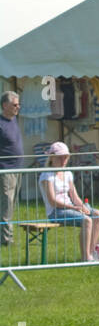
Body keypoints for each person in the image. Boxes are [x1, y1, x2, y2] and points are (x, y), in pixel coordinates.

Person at [39, 142, 99, 263]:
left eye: (66, 157)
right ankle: (86, 258)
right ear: (52, 157)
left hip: (70, 208)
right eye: (60, 157)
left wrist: (81, 206)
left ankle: (90, 252)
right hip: (56, 212)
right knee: (86, 220)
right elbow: (52, 201)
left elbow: (74, 196)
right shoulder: (46, 175)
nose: (63, 160)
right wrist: (74, 207)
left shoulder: (68, 173)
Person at [0, 90, 23, 248]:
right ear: (4, 105)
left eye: (18, 104)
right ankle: (7, 240)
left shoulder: (14, 121)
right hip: (5, 170)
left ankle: (6, 237)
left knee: (12, 204)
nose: (18, 107)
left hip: (17, 170)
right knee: (6, 205)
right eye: (15, 105)